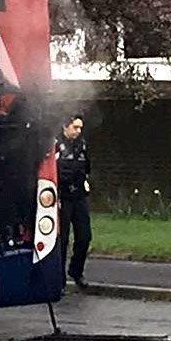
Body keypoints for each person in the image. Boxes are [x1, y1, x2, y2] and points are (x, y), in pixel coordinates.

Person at [56, 114, 92, 288]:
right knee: (62, 239)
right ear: (65, 127)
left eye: (80, 128)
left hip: (79, 196)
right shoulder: (56, 145)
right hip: (62, 196)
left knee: (85, 236)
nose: (78, 131)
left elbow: (87, 167)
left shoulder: (82, 145)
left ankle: (76, 271)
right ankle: (59, 278)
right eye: (75, 127)